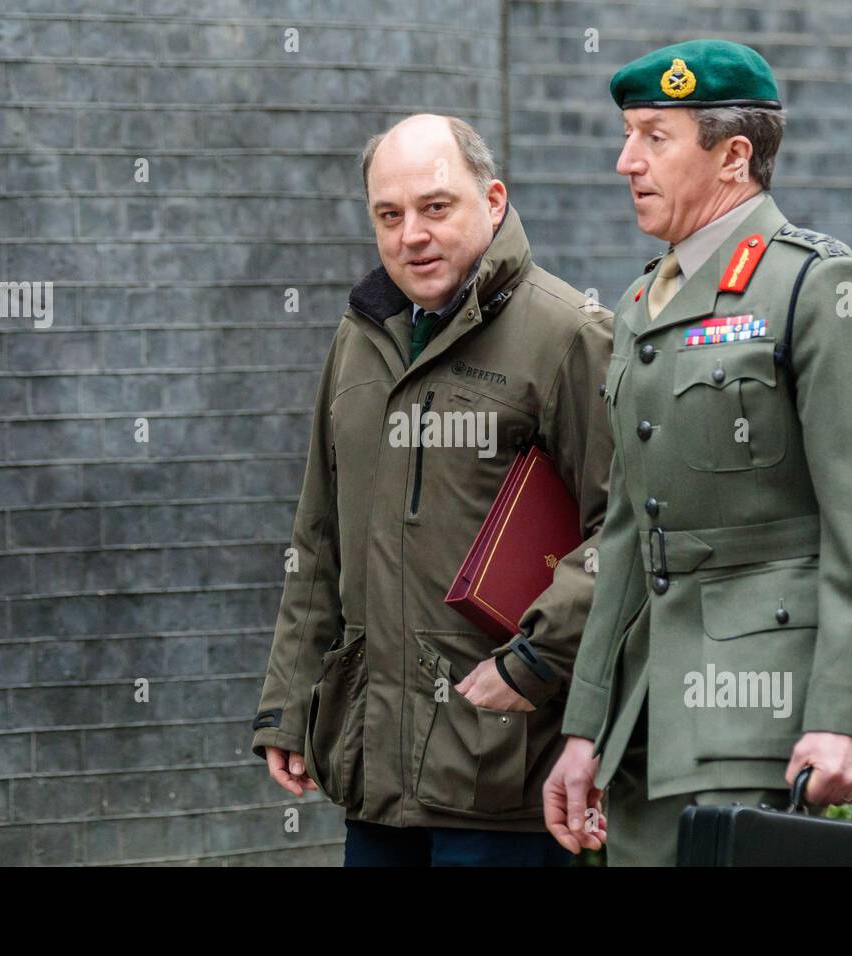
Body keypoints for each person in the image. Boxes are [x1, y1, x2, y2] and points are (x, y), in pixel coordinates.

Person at [543, 40, 852, 866]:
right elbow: (627, 542)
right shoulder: (645, 299)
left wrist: (847, 716)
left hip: (767, 725)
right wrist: (585, 730)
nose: (624, 160)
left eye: (653, 136)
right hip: (646, 731)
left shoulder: (820, 288)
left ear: (734, 156)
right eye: (628, 135)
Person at [251, 113, 615, 866]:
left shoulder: (568, 335)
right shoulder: (362, 336)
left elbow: (628, 529)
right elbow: (318, 534)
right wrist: (289, 702)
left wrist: (534, 662)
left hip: (503, 772)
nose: (410, 233)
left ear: (493, 200)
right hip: (372, 763)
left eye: (435, 207)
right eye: (389, 215)